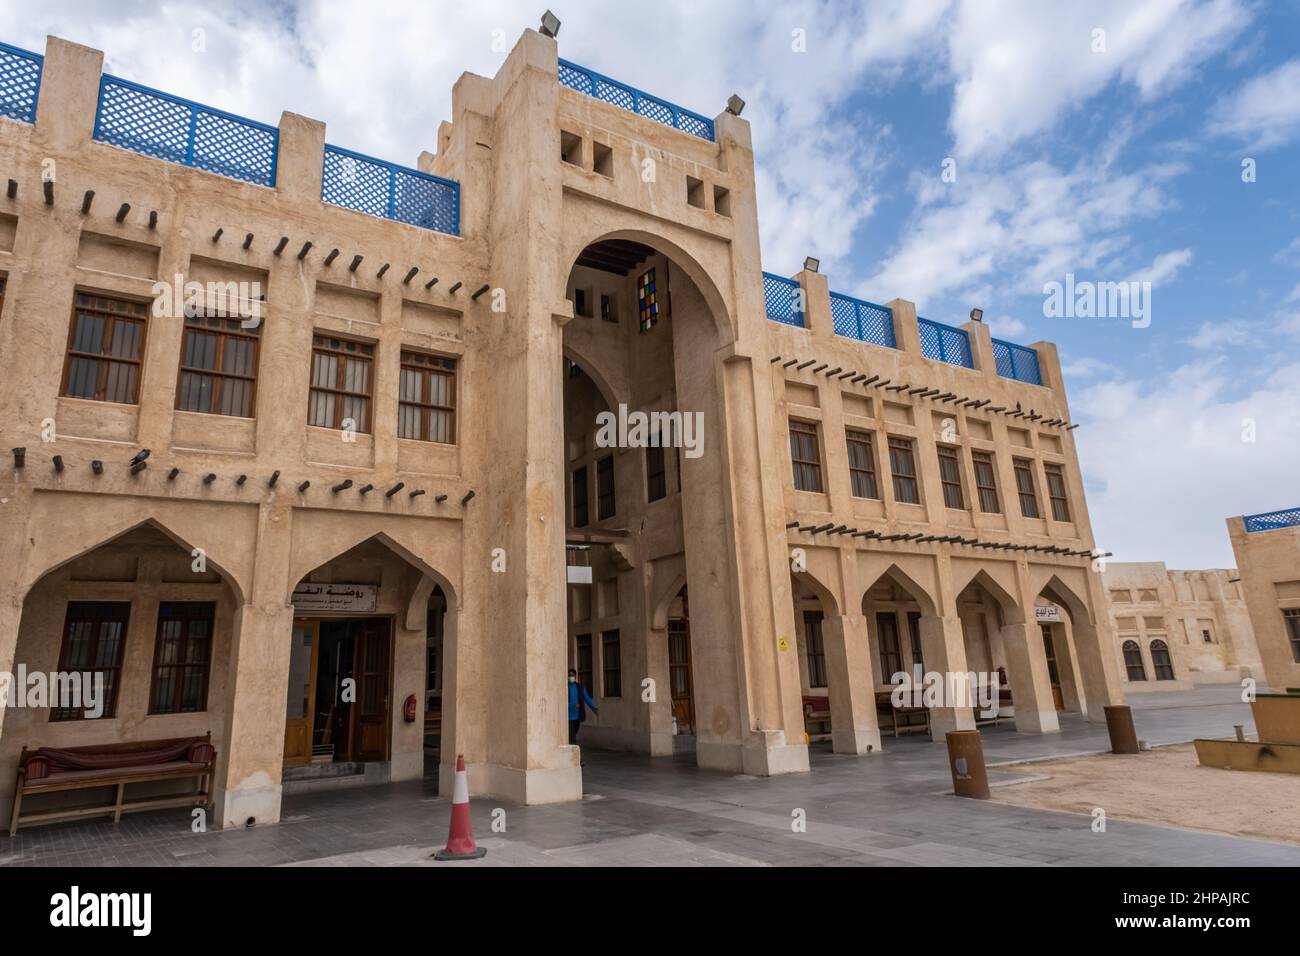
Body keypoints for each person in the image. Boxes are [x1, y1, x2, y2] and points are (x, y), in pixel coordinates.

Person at [568, 668, 598, 745]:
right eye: (569, 675)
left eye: (572, 675)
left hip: (577, 717)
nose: (571, 677)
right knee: (572, 738)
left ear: (575, 676)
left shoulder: (580, 688)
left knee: (573, 735)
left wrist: (594, 708)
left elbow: (587, 698)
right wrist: (572, 705)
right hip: (568, 718)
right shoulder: (565, 688)